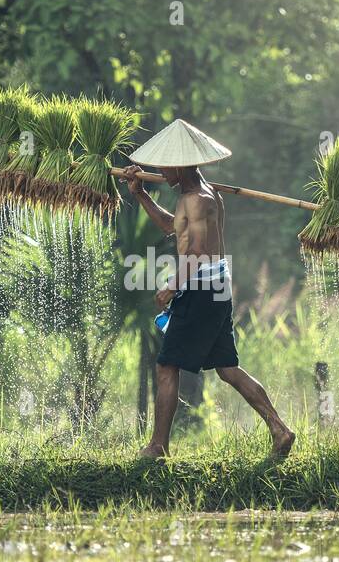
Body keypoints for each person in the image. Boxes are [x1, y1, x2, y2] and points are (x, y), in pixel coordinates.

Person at [122, 137, 294, 461]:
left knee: (166, 366)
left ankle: (158, 446)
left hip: (201, 289)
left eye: (165, 164)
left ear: (180, 165)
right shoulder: (202, 194)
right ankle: (280, 429)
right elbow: (172, 228)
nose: (160, 170)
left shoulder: (199, 199)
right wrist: (140, 193)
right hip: (215, 286)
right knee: (228, 368)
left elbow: (198, 252)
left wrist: (172, 286)